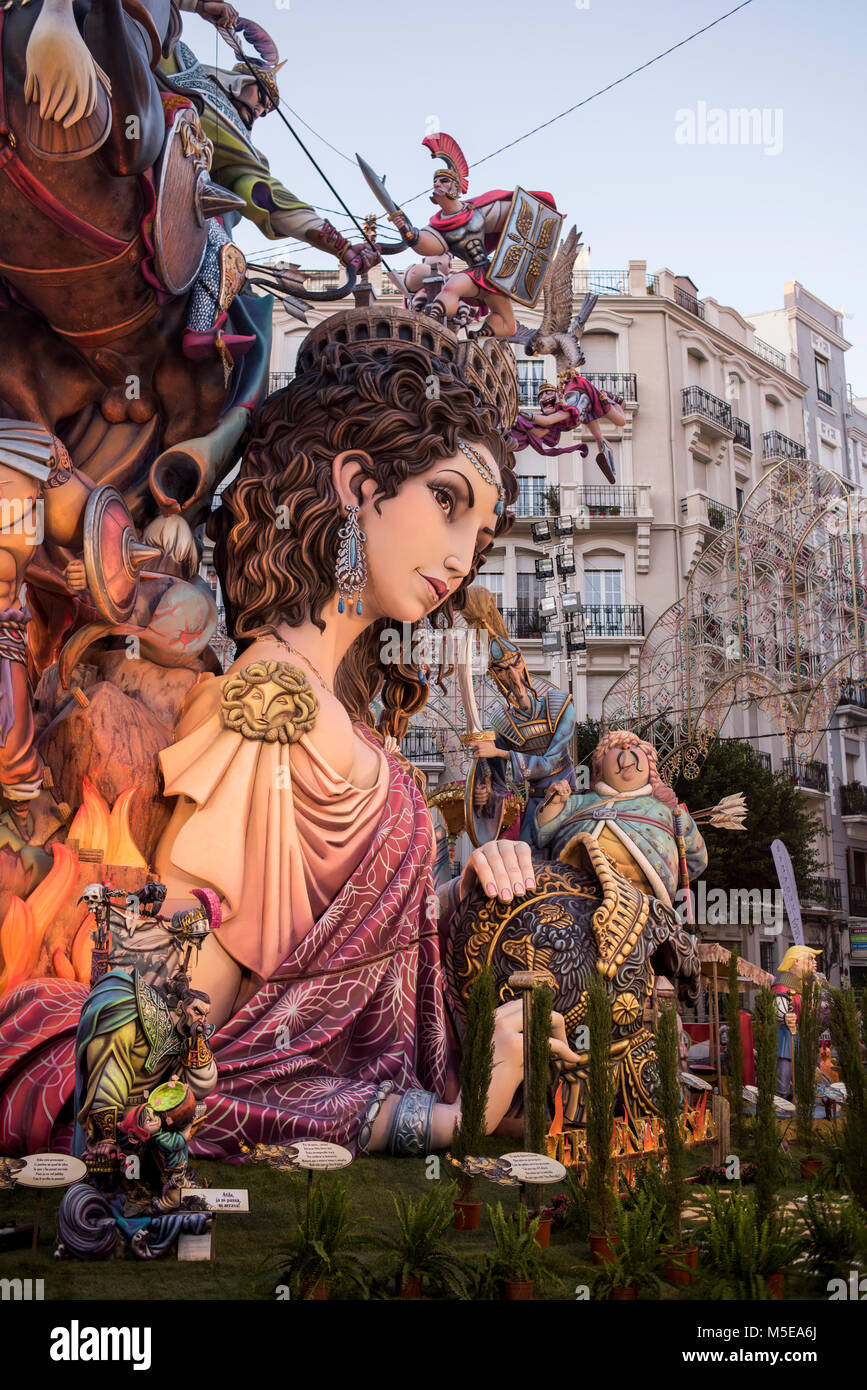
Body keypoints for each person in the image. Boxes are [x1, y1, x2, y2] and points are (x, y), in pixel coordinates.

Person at [0, 310, 573, 1158]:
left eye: (479, 536)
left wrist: (465, 897)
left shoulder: (339, 715)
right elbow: (175, 1053)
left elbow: (338, 960)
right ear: (354, 484)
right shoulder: (269, 711)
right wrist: (442, 1119)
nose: (460, 558)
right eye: (445, 502)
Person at [535, 728, 707, 908]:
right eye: (614, 747)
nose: (625, 746)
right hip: (572, 894)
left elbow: (696, 858)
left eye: (634, 746)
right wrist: (553, 802)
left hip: (646, 901)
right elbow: (543, 834)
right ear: (599, 770)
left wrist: (672, 873)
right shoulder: (578, 802)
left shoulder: (665, 811)